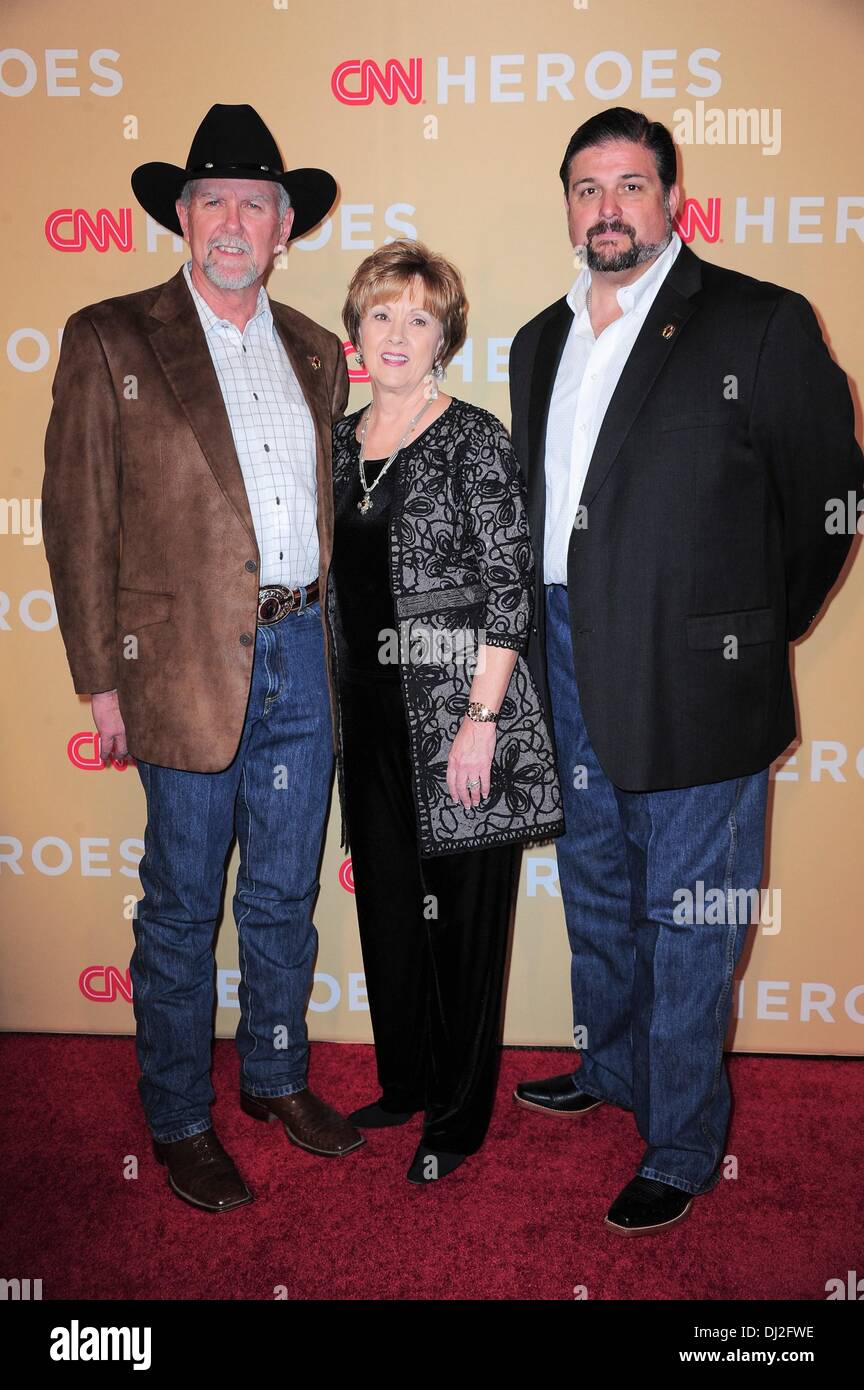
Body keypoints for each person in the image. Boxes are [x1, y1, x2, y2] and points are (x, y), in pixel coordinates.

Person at [509, 107, 862, 1235]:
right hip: (564, 653)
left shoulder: (758, 322)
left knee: (694, 916)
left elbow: (830, 502)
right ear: (568, 205)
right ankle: (611, 1067)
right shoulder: (536, 340)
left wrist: (756, 627)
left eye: (630, 185)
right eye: (586, 188)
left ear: (671, 199)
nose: (607, 208)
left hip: (700, 670)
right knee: (601, 891)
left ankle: (684, 1141)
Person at [42, 104, 363, 1214]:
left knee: (283, 895)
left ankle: (274, 1076)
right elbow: (78, 520)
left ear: (285, 227)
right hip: (176, 669)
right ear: (182, 217)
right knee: (182, 904)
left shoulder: (319, 351)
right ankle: (179, 1116)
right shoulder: (110, 336)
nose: (234, 222)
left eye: (256, 205)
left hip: (300, 656)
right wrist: (98, 679)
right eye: (213, 201)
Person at [327, 240, 563, 1183]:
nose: (397, 333)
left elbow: (511, 588)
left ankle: (458, 1118)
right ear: (356, 330)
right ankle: (406, 1080)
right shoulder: (335, 442)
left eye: (419, 318)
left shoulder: (473, 437)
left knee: (465, 925)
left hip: (460, 713)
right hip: (366, 718)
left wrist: (481, 719)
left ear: (444, 337)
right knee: (388, 907)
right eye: (382, 314)